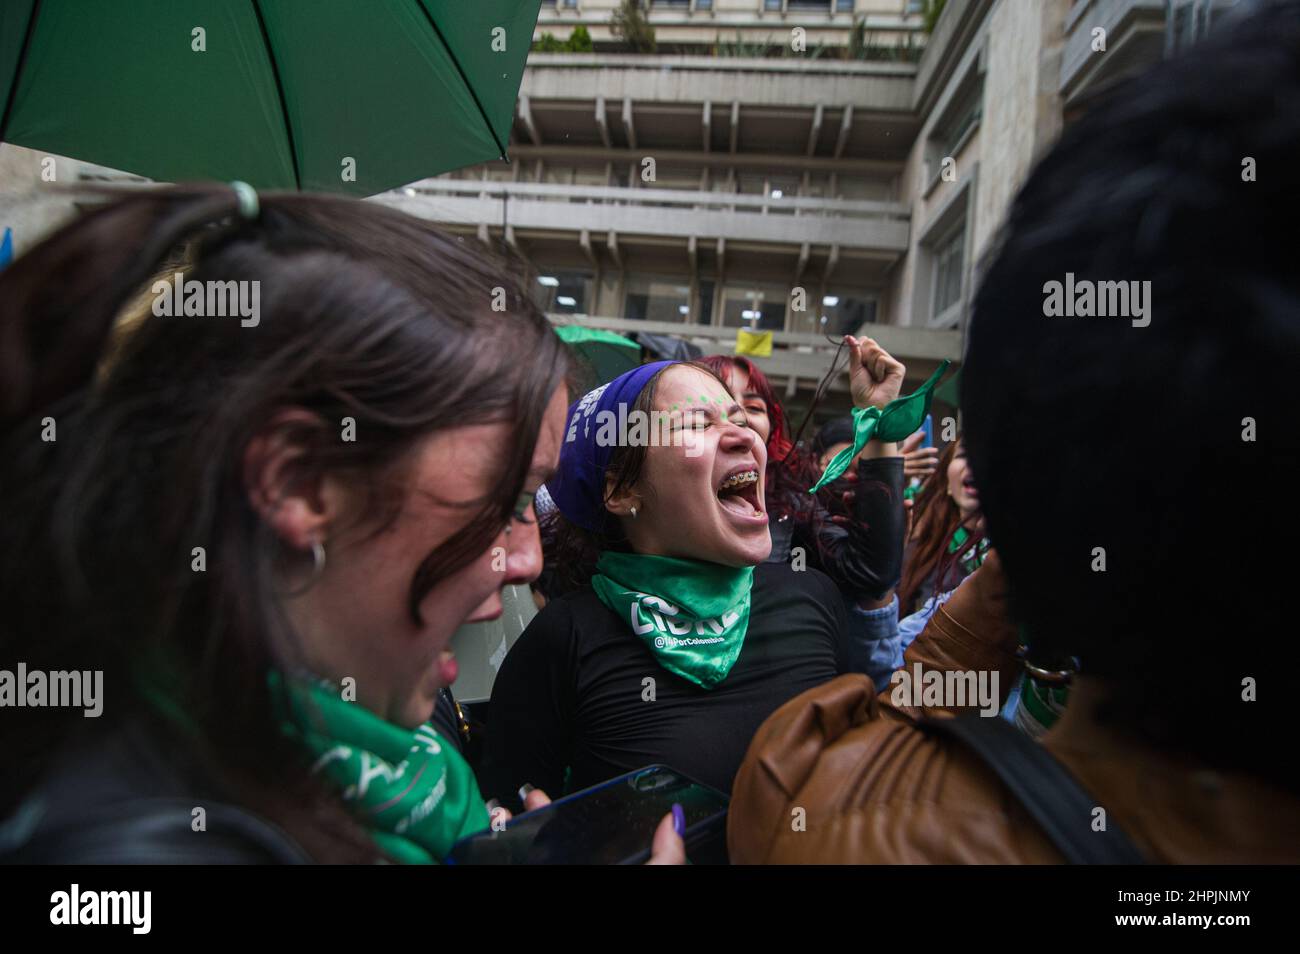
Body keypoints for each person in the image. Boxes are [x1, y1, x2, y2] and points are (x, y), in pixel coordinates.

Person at [727, 0, 1300, 864]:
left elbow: (881, 629)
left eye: (748, 409)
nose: (738, 429)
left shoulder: (830, 809)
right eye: (704, 413)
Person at [0, 184, 683, 864]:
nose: (528, 559)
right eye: (507, 504)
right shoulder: (132, 850)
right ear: (299, 482)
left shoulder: (385, 762)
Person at [482, 358, 870, 807]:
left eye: (741, 421)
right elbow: (509, 826)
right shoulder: (563, 641)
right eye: (697, 423)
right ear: (622, 492)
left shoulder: (812, 596)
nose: (746, 436)